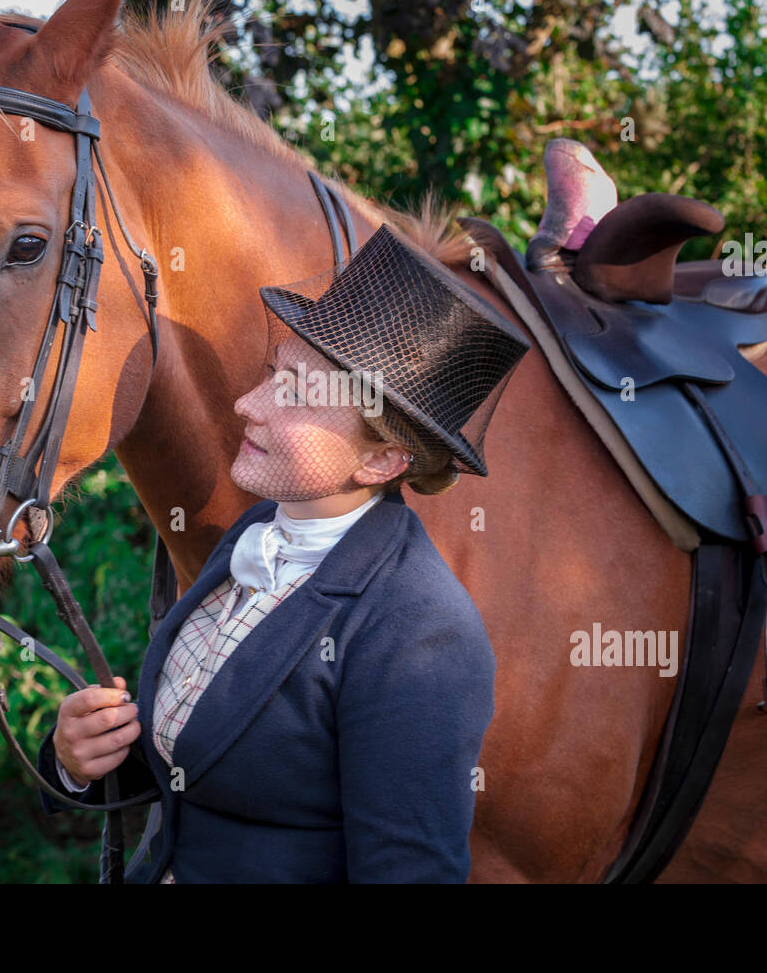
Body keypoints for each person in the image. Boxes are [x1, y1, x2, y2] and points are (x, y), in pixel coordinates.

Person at [35, 223, 530, 883]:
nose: (247, 405)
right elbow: (213, 766)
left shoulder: (419, 632)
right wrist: (78, 758)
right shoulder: (254, 533)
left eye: (295, 396)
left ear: (382, 458)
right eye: (273, 375)